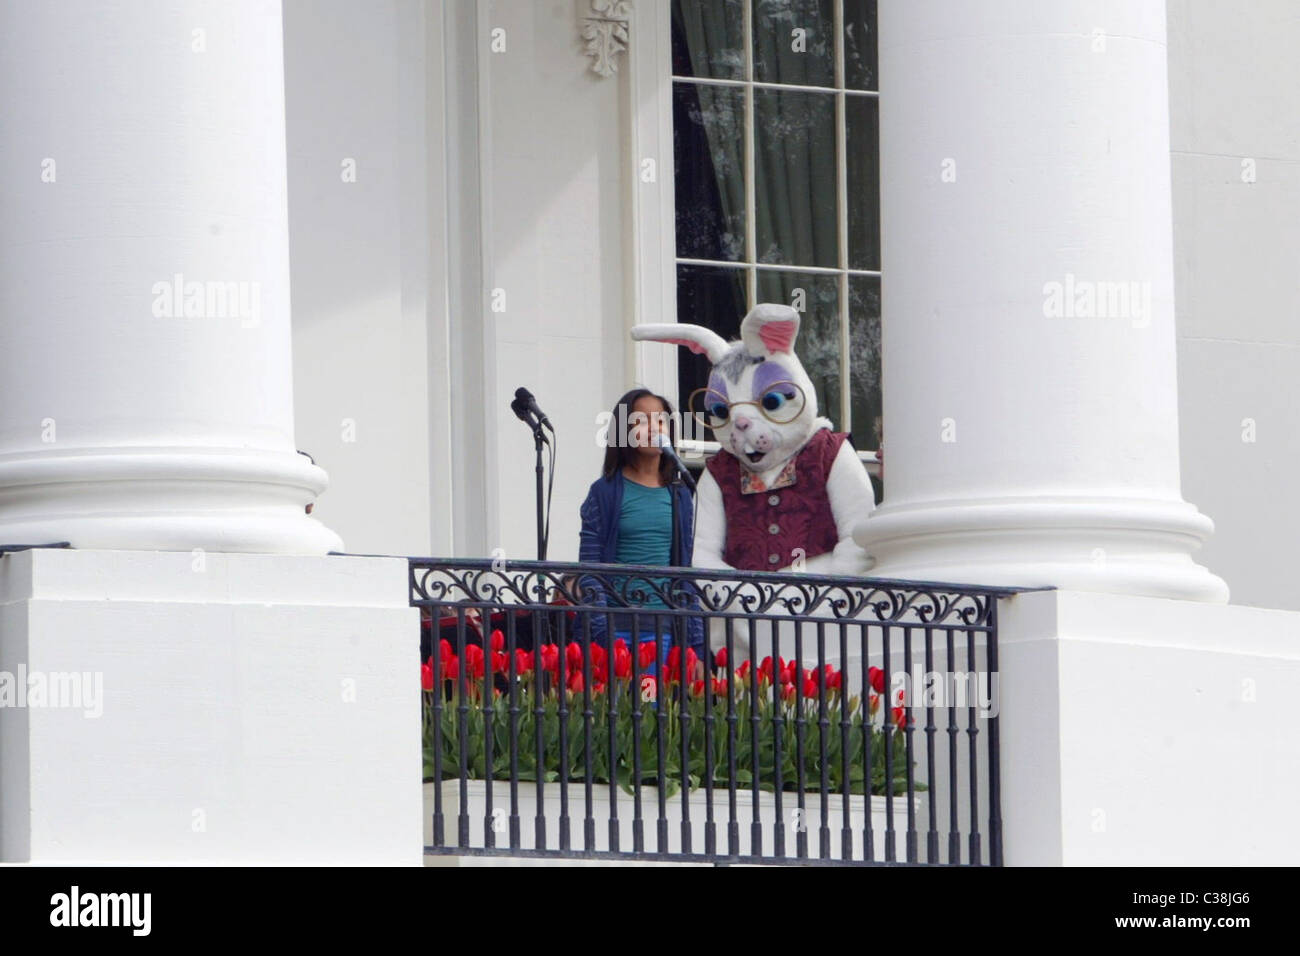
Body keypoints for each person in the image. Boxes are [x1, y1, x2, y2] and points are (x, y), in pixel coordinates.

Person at [577, 389, 705, 679]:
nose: (653, 428)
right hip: (615, 631)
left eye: (660, 420)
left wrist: (695, 645)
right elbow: (590, 569)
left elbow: (684, 572)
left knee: (651, 712)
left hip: (661, 632)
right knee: (618, 716)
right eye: (642, 421)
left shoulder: (680, 494)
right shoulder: (605, 492)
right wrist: (604, 636)